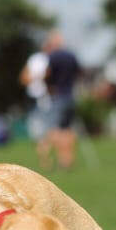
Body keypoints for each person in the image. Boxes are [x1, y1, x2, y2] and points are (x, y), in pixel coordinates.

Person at [43, 31, 81, 169]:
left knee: (55, 129)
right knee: (68, 130)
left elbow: (47, 75)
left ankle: (50, 159)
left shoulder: (52, 57)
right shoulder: (71, 56)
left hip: (58, 96)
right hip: (71, 96)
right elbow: (79, 72)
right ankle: (68, 160)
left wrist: (49, 86)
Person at [20, 37, 51, 162]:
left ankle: (54, 158)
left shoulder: (55, 59)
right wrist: (37, 78)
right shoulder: (34, 60)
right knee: (37, 132)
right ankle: (45, 159)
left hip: (50, 98)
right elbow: (23, 78)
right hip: (34, 98)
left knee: (50, 131)